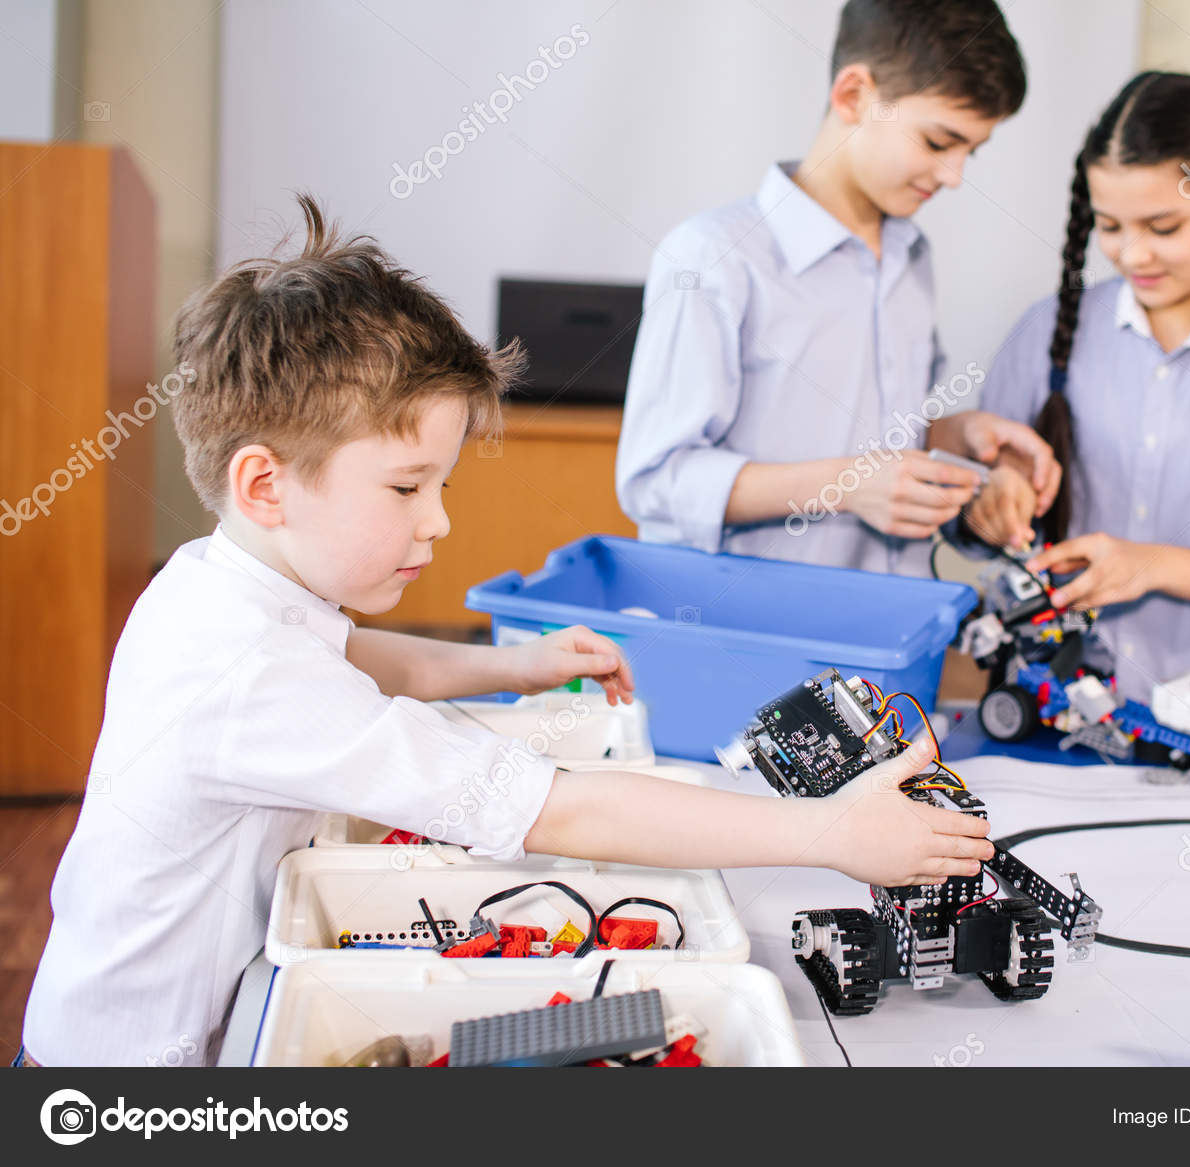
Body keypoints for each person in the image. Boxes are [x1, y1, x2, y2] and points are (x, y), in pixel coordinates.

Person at [17, 196, 992, 1067]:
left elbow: (359, 657)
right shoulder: (245, 671)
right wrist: (830, 831)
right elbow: (556, 811)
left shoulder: (217, 585)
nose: (438, 522)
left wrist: (515, 663)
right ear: (265, 485)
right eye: (407, 487)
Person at [616, 0, 1057, 575]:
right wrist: (846, 485)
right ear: (853, 95)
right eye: (937, 142)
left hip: (894, 619)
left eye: (969, 152)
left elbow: (884, 436)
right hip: (749, 621)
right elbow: (655, 482)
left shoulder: (912, 260)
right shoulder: (712, 258)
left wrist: (960, 434)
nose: (954, 177)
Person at [963, 72, 1190, 699]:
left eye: (1164, 228)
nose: (1133, 255)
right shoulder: (1043, 333)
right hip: (1045, 696)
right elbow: (975, 513)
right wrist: (990, 501)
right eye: (1110, 226)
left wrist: (1156, 566)